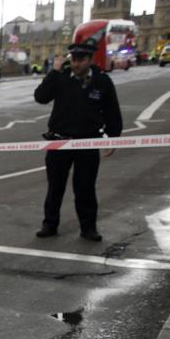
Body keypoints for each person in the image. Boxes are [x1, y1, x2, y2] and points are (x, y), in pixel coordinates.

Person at [33, 36, 123, 241]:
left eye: (81, 59)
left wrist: (113, 139)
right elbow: (41, 97)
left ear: (90, 59)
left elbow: (112, 112)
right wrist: (53, 72)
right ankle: (49, 224)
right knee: (55, 187)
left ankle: (88, 228)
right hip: (59, 140)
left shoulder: (102, 81)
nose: (76, 63)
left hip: (88, 142)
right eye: (73, 58)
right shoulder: (61, 77)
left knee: (85, 188)